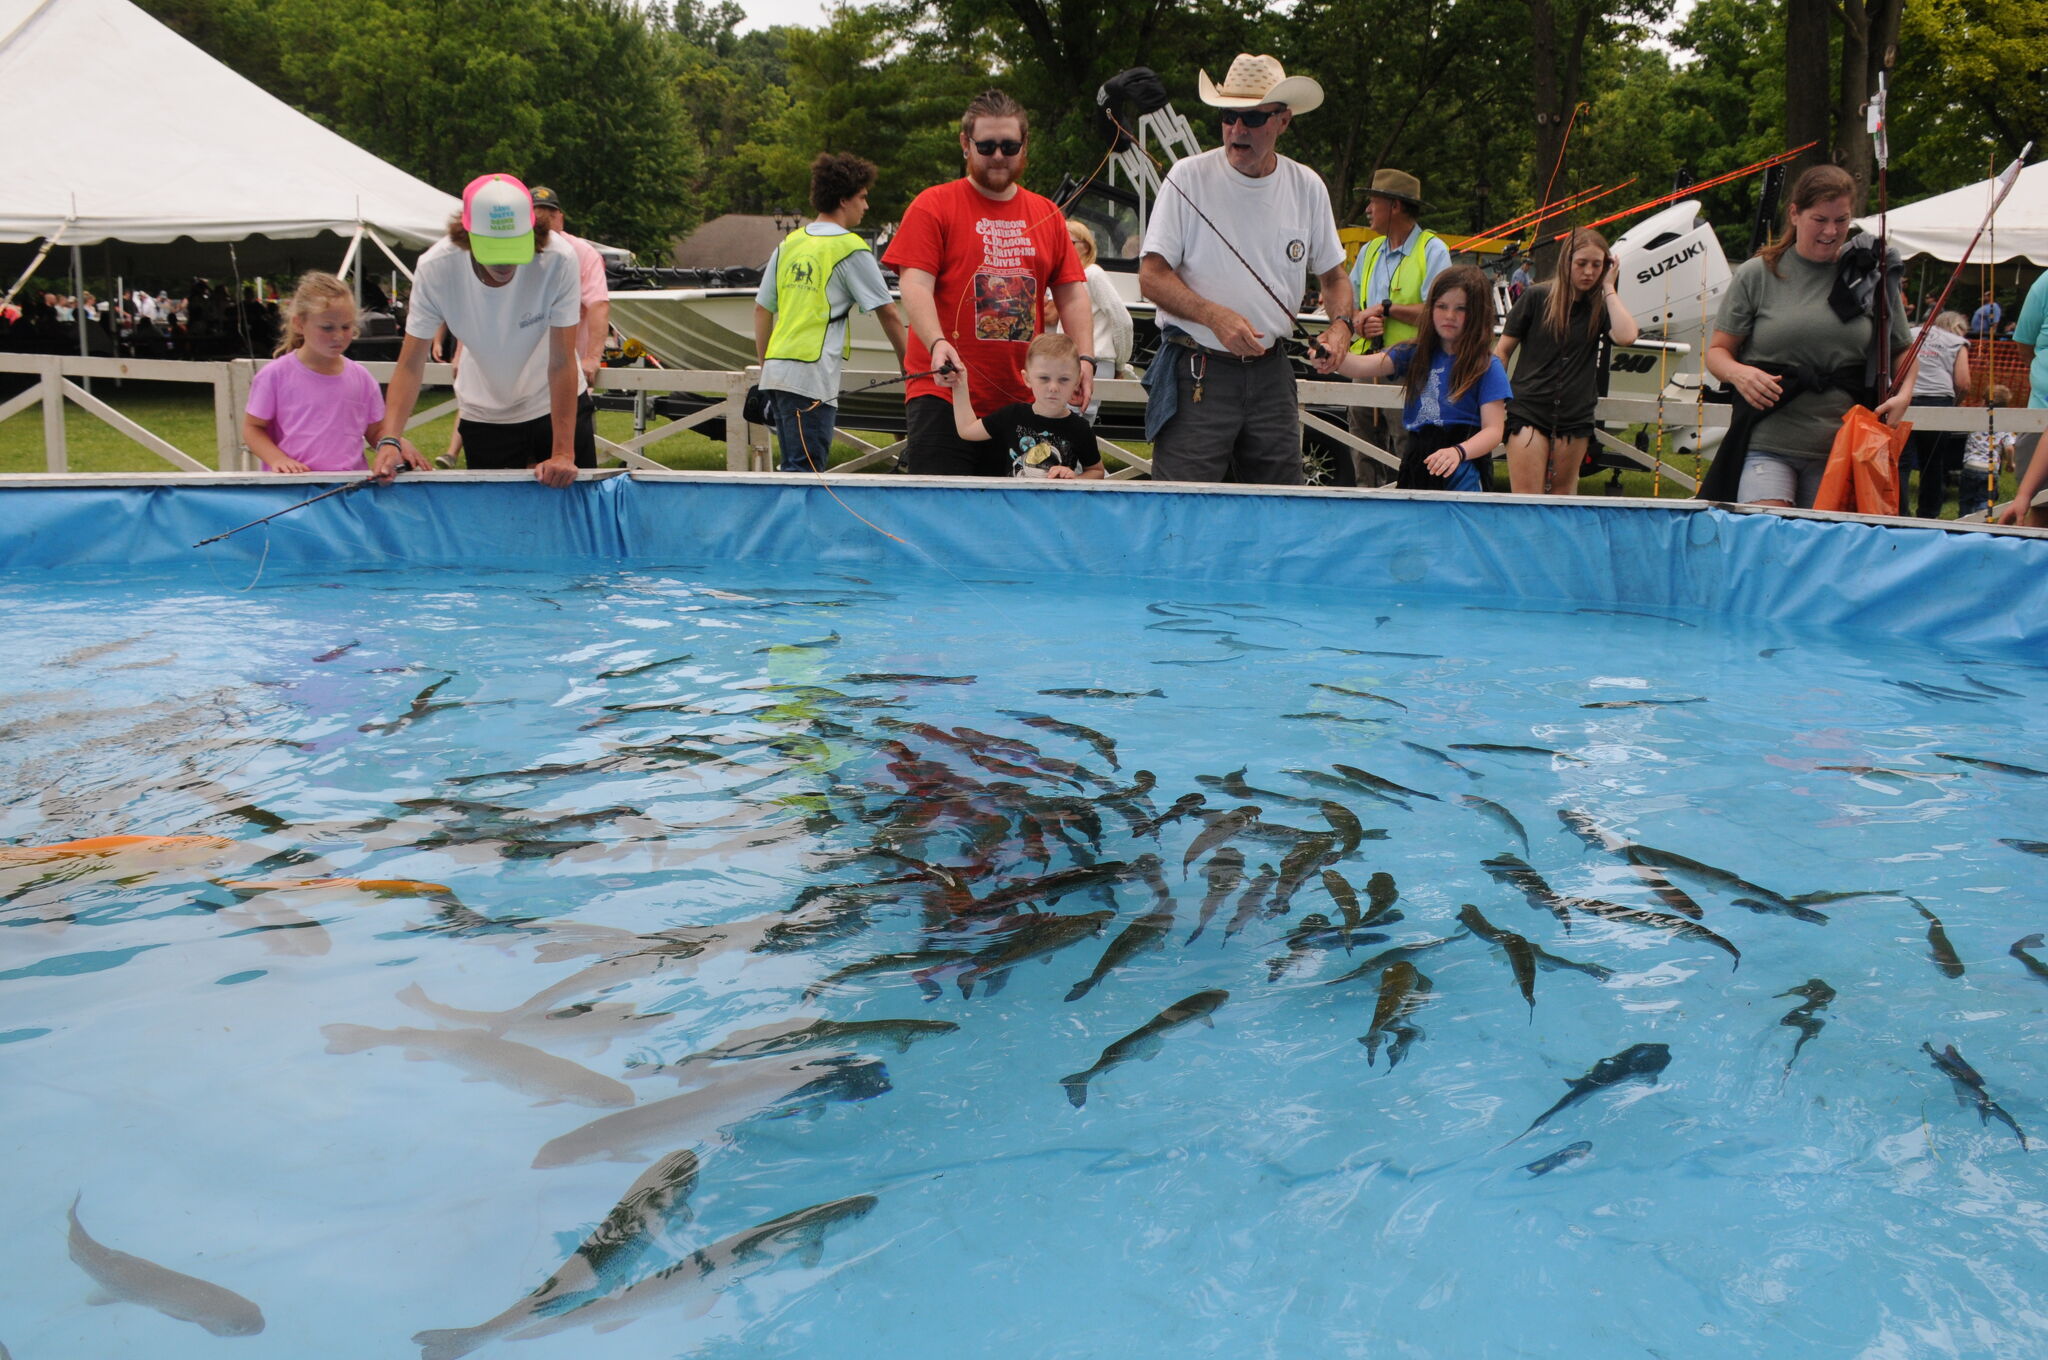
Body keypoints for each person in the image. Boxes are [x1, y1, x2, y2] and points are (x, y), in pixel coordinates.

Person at [1137, 53, 1351, 484]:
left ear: (1283, 121)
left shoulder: (1308, 186)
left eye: (1252, 118)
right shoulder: (1187, 176)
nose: (1237, 129)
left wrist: (1342, 327)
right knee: (1183, 506)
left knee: (1279, 505)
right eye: (1228, 116)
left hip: (1273, 373)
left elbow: (1334, 278)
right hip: (1197, 370)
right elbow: (1151, 276)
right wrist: (1213, 317)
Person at [884, 90, 1095, 477]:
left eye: (1009, 146)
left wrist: (1085, 358)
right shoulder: (933, 205)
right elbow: (915, 284)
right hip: (944, 392)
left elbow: (1072, 293)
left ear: (1024, 145)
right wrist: (937, 342)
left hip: (1023, 401)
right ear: (966, 144)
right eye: (987, 146)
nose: (998, 155)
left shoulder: (1047, 213)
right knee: (942, 504)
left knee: (1014, 508)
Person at [1700, 164, 1912, 509]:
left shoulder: (1869, 275)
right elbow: (1718, 352)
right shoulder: (1756, 274)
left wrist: (1905, 394)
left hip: (1844, 448)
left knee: (1819, 539)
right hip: (1767, 441)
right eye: (1820, 219)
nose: (1831, 231)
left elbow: (1903, 349)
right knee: (1768, 531)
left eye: (1841, 220)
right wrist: (1739, 373)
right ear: (1795, 214)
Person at [372, 174, 586, 487]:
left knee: (574, 510)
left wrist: (563, 453)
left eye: (514, 248)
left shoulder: (560, 258)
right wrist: (390, 440)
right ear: (467, 235)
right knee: (494, 515)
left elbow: (562, 360)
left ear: (533, 231)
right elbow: (411, 363)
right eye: (493, 250)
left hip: (554, 402)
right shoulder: (436, 267)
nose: (505, 264)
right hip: (486, 413)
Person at [753, 153, 909, 472]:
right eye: (862, 197)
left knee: (793, 470)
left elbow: (761, 309)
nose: (866, 206)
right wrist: (910, 366)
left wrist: (766, 366)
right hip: (810, 377)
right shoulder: (850, 248)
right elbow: (889, 313)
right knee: (807, 475)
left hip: (776, 372)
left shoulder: (789, 243)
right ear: (843, 200)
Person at [1316, 265, 1510, 491]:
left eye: (1461, 308)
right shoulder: (1413, 352)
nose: (1449, 315)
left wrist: (1459, 452)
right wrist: (1329, 354)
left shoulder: (1488, 365)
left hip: (1463, 465)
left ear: (1477, 314)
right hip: (1417, 461)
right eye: (1442, 306)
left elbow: (1493, 431)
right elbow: (1359, 366)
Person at [1493, 226, 1640, 494]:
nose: (1589, 272)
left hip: (1576, 417)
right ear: (1566, 262)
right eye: (1581, 263)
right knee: (1527, 499)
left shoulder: (1599, 307)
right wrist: (1496, 400)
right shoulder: (1536, 297)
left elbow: (1627, 336)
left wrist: (1609, 287)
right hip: (1529, 410)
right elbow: (1502, 351)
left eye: (1597, 265)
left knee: (1562, 499)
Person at [240, 272, 385, 474]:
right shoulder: (274, 375)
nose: (338, 336)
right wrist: (277, 459)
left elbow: (376, 431)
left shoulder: (362, 378)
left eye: (346, 327)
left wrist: (394, 444)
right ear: (299, 324)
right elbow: (253, 428)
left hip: (349, 486)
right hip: (294, 485)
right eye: (327, 328)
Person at [937, 331, 1104, 480]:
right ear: (1027, 379)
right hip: (1013, 504)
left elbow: (1096, 471)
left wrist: (1074, 478)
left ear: (1077, 381)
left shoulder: (1080, 428)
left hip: (1057, 504)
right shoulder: (1012, 415)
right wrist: (959, 384)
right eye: (1044, 378)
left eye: (1064, 379)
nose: (1053, 387)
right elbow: (967, 430)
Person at [528, 187, 611, 391]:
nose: (544, 222)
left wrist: (592, 358)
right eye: (537, 216)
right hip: (523, 373)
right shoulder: (512, 253)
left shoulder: (583, 253)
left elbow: (598, 305)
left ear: (561, 219)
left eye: (550, 216)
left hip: (569, 373)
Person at [1896, 310, 1971, 517]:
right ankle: (1928, 514)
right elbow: (1963, 383)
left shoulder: (1910, 333)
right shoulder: (1957, 342)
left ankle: (1899, 512)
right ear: (1957, 327)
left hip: (1904, 398)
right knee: (1933, 462)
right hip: (1939, 399)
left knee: (1900, 462)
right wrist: (1954, 404)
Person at [1060, 220, 1133, 423]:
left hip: (1095, 361)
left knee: (1075, 420)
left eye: (1069, 242)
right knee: (1070, 423)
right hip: (1071, 361)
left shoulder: (1093, 274)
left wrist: (1120, 363)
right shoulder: (1068, 276)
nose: (1062, 247)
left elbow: (1123, 321)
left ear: (1086, 246)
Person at [1960, 385, 2016, 520]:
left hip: (1970, 465)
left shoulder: (1975, 418)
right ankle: (1982, 523)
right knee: (1985, 500)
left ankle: (1963, 523)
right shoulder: (2006, 424)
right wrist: (2010, 463)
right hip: (1990, 469)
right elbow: (2009, 448)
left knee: (1966, 499)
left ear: (1984, 401)